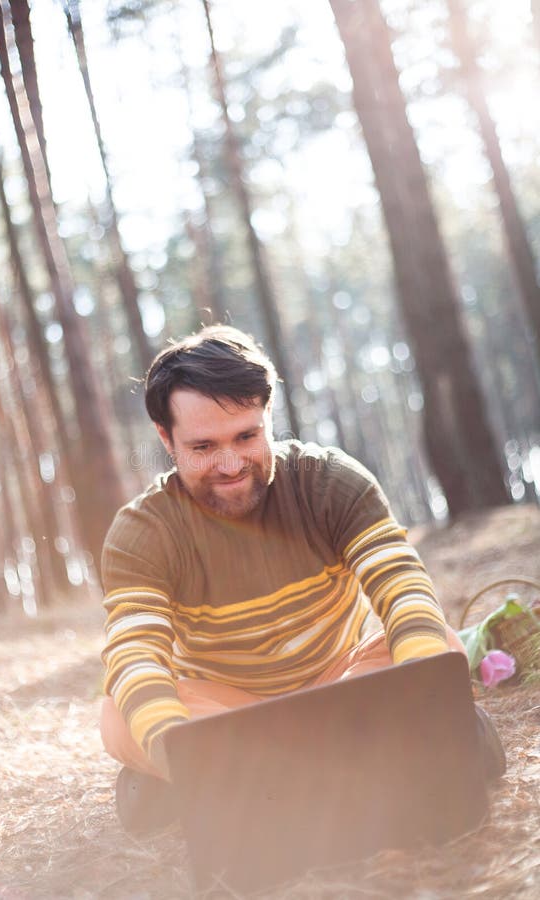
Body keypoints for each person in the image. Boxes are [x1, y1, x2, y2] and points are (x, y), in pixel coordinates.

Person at [100, 325, 505, 836]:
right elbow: (135, 652)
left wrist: (423, 691)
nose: (230, 465)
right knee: (120, 713)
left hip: (343, 686)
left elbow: (403, 589)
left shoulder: (331, 483)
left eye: (246, 436)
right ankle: (372, 758)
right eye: (203, 446)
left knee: (434, 645)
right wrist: (177, 747)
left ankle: (245, 786)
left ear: (269, 416)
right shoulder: (143, 531)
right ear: (166, 437)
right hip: (227, 712)